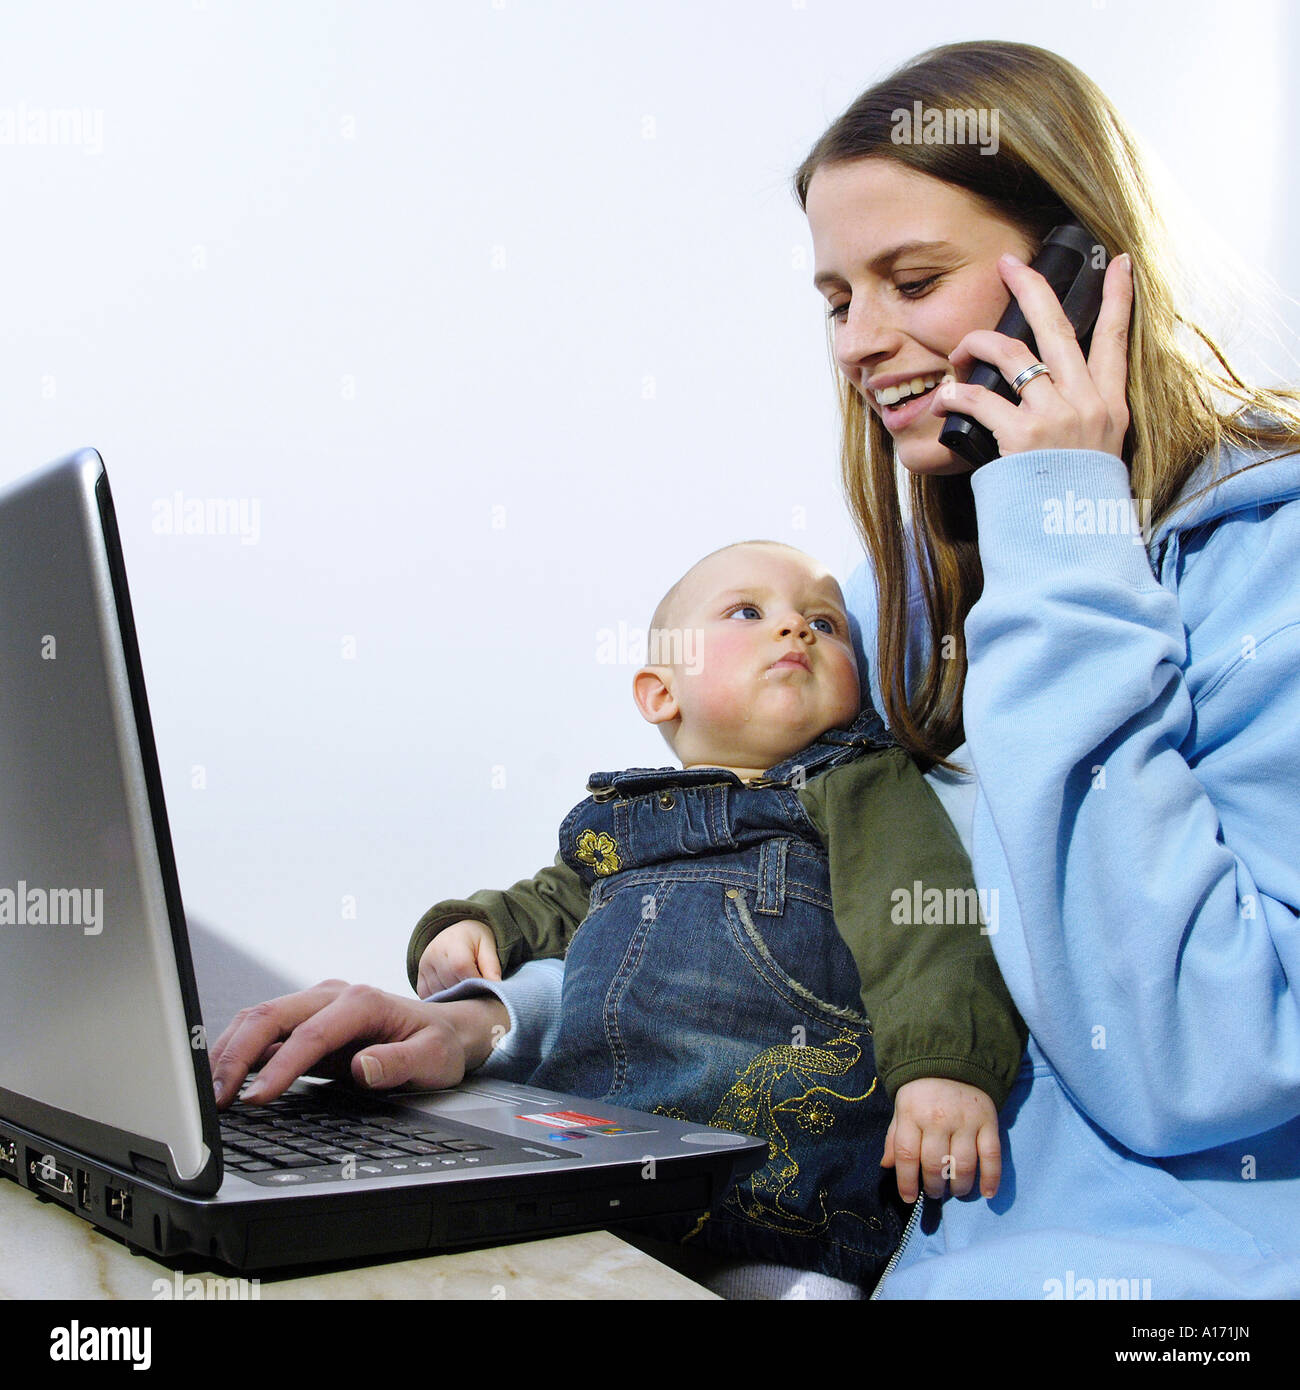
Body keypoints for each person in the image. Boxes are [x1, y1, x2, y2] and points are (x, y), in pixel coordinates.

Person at [211, 38, 1300, 1299]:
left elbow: (1198, 1059)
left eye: (914, 278)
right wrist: (488, 1022)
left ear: (1078, 273)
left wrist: (1063, 519)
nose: (860, 341)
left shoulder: (1258, 565)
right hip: (878, 1248)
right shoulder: (896, 621)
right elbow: (734, 911)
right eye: (839, 298)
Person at [405, 538, 1025, 1296]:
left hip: (779, 1182)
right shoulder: (625, 821)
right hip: (589, 1158)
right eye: (749, 612)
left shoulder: (859, 783)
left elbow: (924, 920)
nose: (797, 630)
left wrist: (943, 1065)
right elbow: (552, 898)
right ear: (661, 694)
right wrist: (474, 927)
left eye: (826, 625)